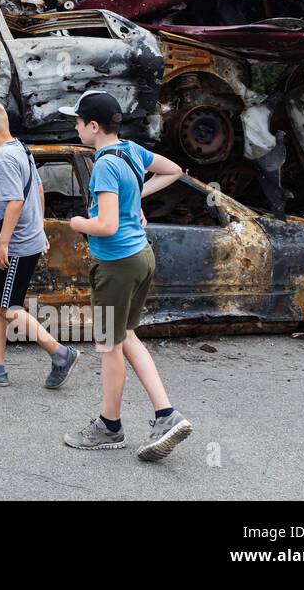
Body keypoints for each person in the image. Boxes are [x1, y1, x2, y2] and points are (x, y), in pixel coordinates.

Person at [59, 90, 192, 461]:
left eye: (78, 121)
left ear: (94, 126)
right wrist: (137, 199)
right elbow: (173, 170)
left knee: (109, 347)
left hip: (116, 266)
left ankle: (109, 426)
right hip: (141, 257)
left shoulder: (104, 164)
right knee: (127, 336)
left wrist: (77, 222)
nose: (75, 127)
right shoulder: (131, 150)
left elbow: (105, 224)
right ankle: (167, 414)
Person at [0, 101, 79, 389]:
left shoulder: (3, 158)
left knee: (7, 306)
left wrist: (3, 243)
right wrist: (40, 228)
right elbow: (37, 189)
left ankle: (60, 353)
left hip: (16, 245)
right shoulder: (21, 148)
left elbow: (16, 201)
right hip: (26, 238)